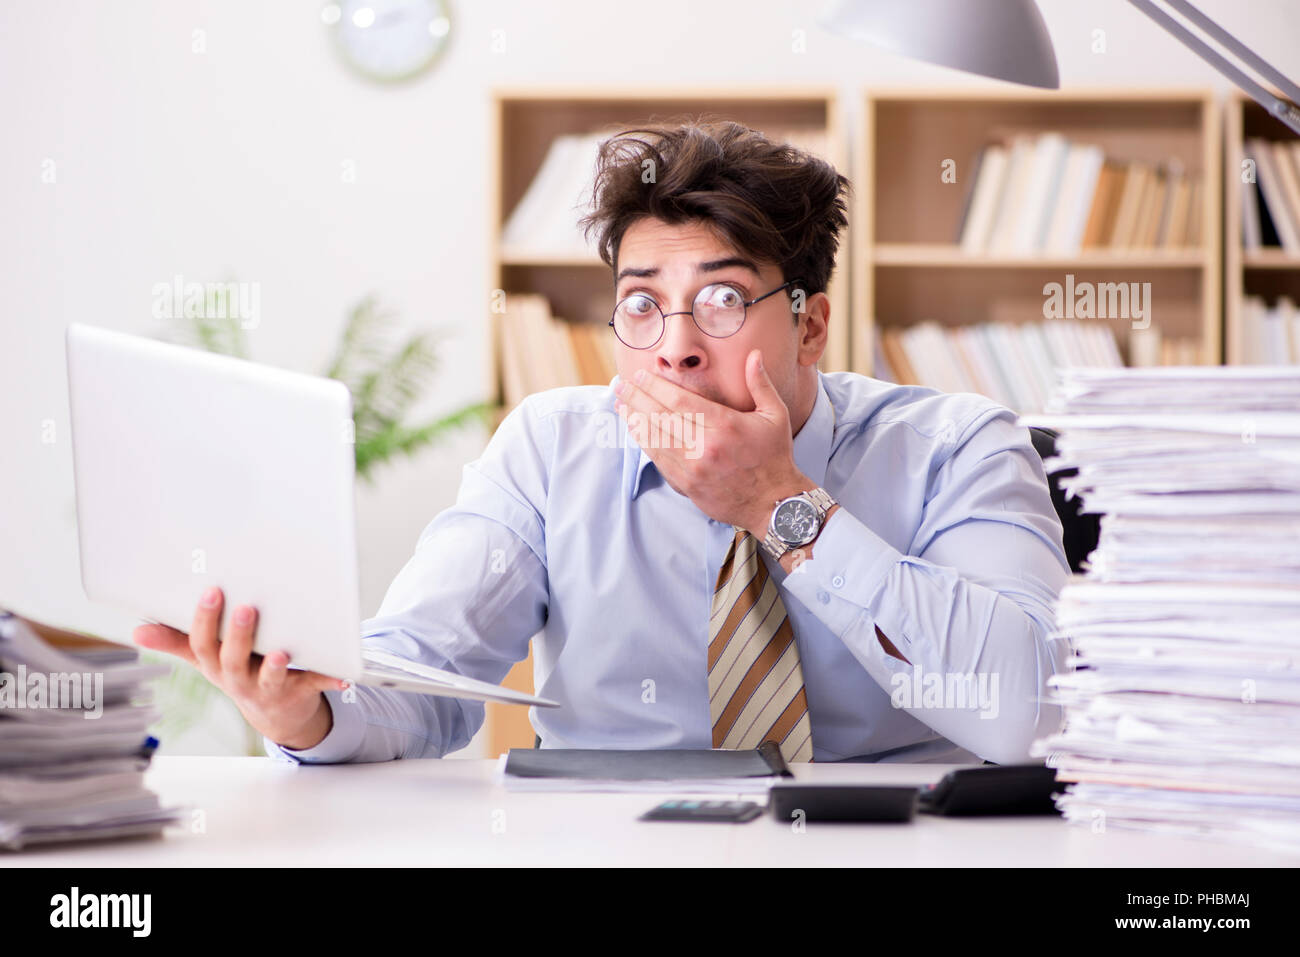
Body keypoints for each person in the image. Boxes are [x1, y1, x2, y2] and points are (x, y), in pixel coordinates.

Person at [134, 120, 1070, 766]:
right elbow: (424, 672)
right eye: (641, 303)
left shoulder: (959, 446)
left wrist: (779, 505)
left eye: (722, 298)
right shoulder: (551, 448)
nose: (676, 343)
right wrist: (310, 711)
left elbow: (1026, 711)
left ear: (811, 325)